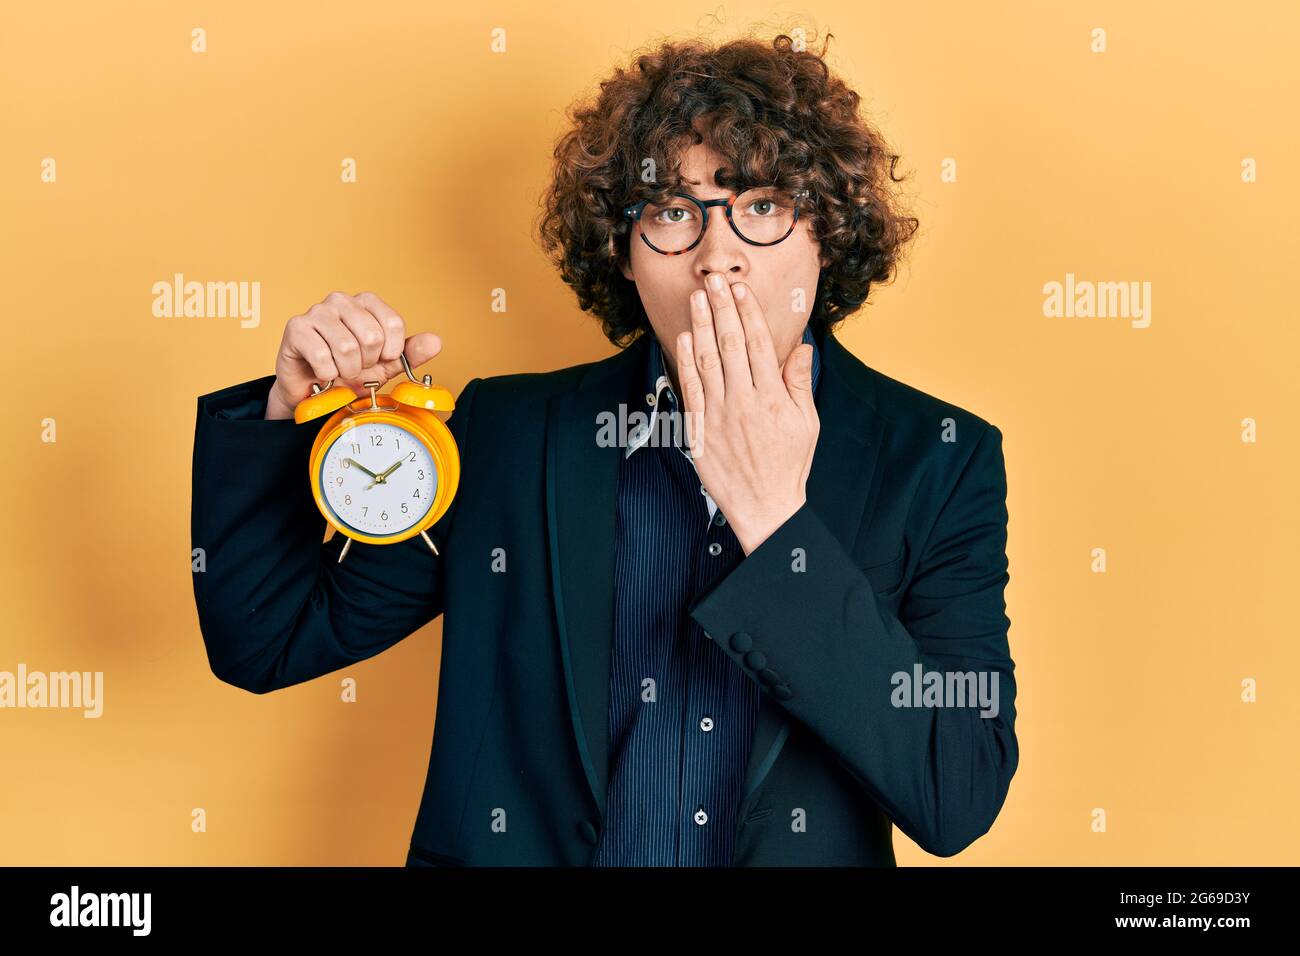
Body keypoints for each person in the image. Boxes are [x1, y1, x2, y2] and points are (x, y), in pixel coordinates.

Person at [190, 31, 1018, 867]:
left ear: (827, 233)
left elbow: (958, 791)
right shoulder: (506, 433)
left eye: (761, 205)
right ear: (623, 252)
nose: (716, 258)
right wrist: (287, 409)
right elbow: (269, 640)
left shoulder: (941, 460)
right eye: (670, 213)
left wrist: (775, 519)